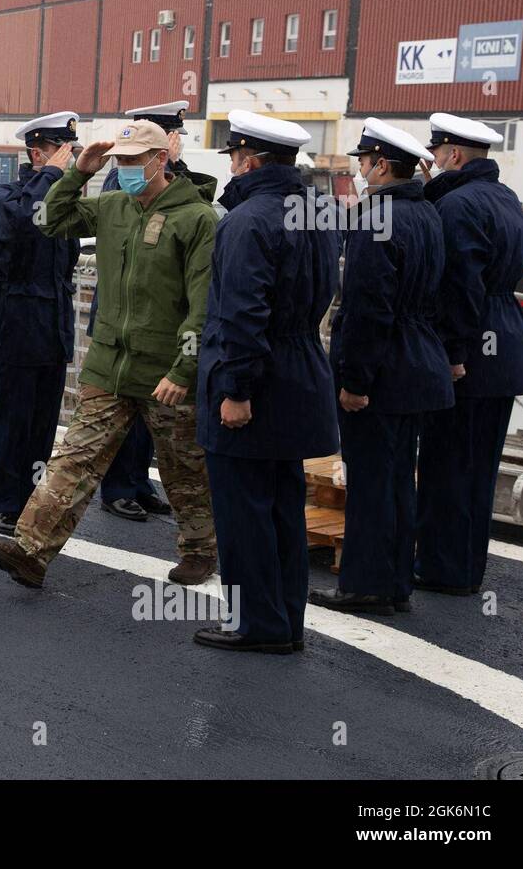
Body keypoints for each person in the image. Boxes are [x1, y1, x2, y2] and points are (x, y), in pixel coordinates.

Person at [0, 120, 219, 589]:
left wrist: (184, 369)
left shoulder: (197, 219)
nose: (124, 169)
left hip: (163, 370)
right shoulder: (113, 206)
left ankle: (199, 549)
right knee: (73, 460)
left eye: (132, 161)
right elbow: (46, 221)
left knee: (184, 466)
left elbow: (203, 304)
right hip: (108, 365)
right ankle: (30, 551)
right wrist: (78, 173)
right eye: (119, 162)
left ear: (159, 160)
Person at [193, 111, 338, 654]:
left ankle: (256, 623)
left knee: (243, 511)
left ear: (247, 159)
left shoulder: (247, 220)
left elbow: (241, 313)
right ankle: (284, 619)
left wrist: (236, 390)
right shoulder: (318, 211)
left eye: (233, 155)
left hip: (255, 379)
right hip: (299, 369)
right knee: (283, 506)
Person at [310, 118, 452, 615]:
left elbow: (368, 309)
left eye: (365, 161)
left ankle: (365, 583)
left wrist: (354, 381)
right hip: (419, 363)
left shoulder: (376, 220)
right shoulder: (430, 216)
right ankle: (394, 581)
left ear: (383, 166)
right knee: (396, 480)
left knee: (370, 482)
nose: (361, 168)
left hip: (383, 371)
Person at [415, 113, 523, 595]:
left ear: (454, 155)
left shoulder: (458, 205)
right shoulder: (505, 197)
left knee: (448, 462)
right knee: (478, 466)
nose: (434, 162)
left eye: (438, 153)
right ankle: (465, 567)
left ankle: (442, 569)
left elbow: (461, 286)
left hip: (473, 344)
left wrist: (455, 351)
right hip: (506, 340)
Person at [0, 112, 81, 537]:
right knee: (13, 419)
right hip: (15, 321)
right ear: (38, 154)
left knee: (42, 422)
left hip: (52, 321)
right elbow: (19, 224)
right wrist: (52, 175)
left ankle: (30, 502)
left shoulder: (63, 199)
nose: (69, 162)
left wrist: (63, 179)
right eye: (61, 152)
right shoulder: (8, 195)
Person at [95, 102, 194, 523]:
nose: (177, 143)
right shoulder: (127, 174)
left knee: (152, 412)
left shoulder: (174, 174)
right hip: (127, 313)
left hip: (159, 316)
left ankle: (137, 481)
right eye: (174, 135)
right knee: (125, 411)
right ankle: (118, 486)